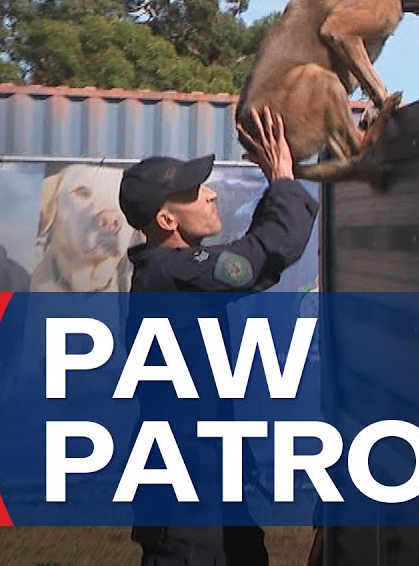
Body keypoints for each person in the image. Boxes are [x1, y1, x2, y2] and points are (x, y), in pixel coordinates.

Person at [116, 105, 319, 566]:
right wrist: (282, 179)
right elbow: (258, 257)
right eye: (193, 191)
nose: (210, 194)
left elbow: (249, 254)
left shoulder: (171, 269)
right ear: (167, 221)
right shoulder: (169, 274)